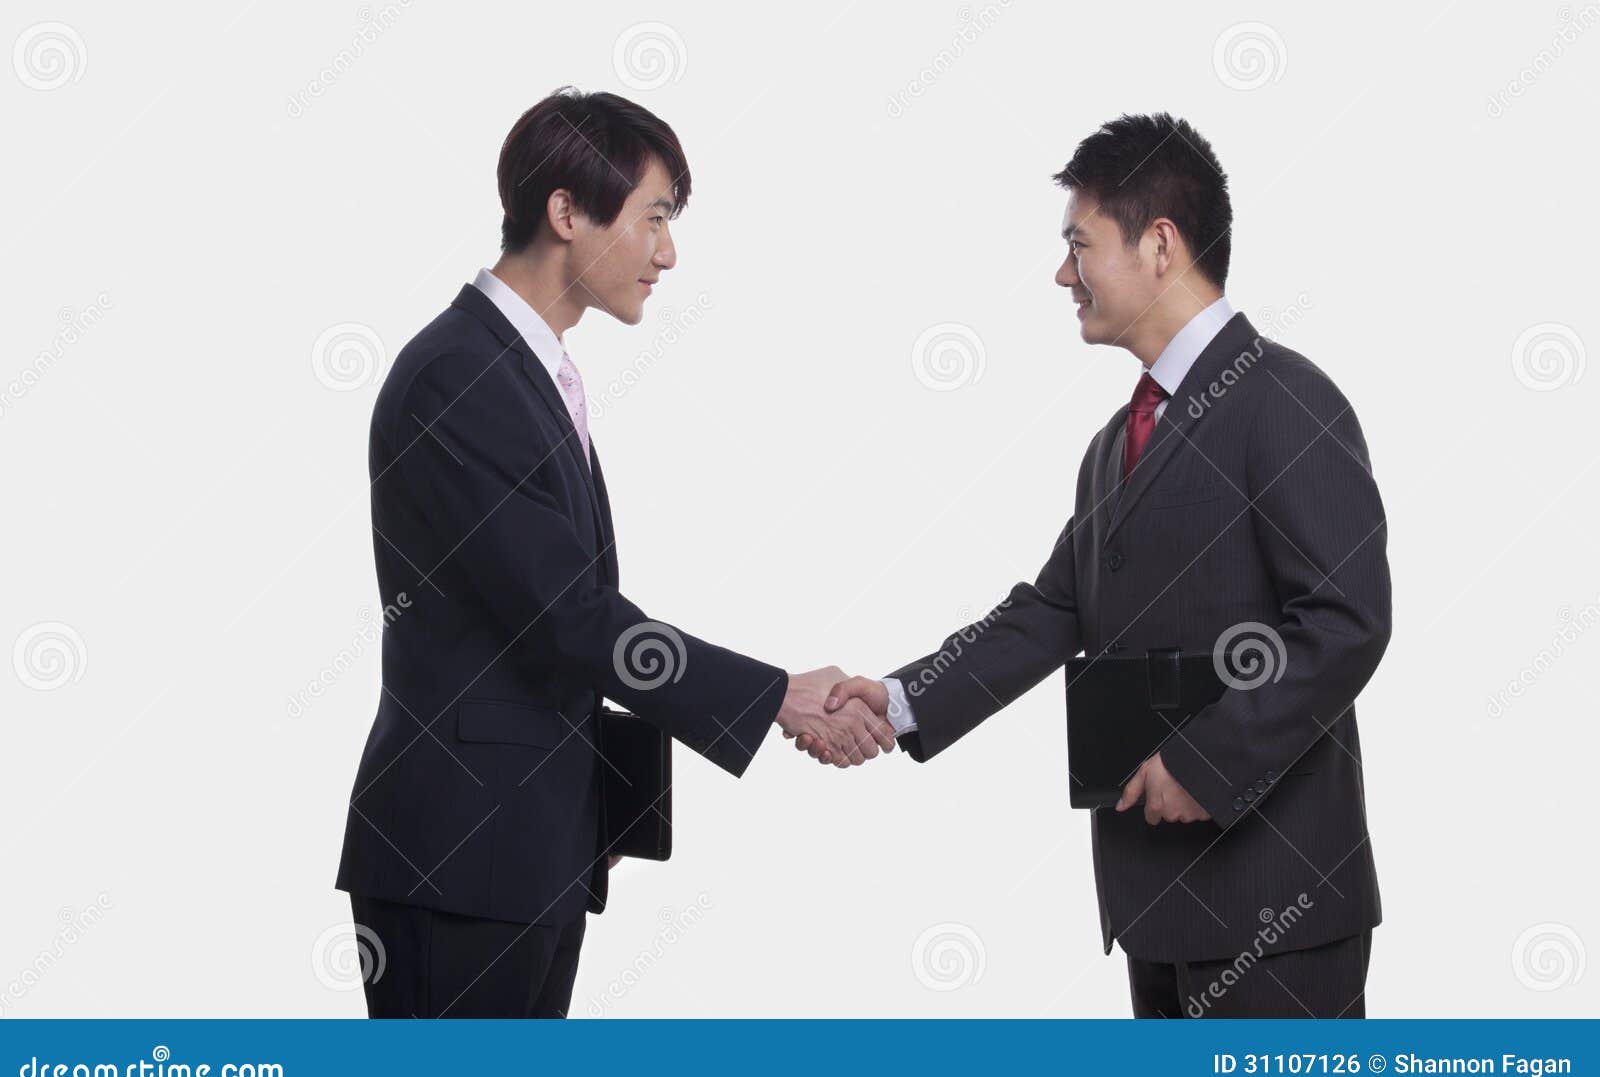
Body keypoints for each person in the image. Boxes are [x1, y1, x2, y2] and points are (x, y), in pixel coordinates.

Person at [334, 87, 893, 1019]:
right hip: (457, 860)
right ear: (565, 211)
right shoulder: (459, 376)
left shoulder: (524, 367)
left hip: (520, 849)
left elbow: (526, 624)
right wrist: (774, 695)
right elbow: (566, 616)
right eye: (654, 218)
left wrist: (605, 801)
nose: (667, 251)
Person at [821, 113, 1391, 1019]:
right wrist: (895, 700)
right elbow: (1050, 610)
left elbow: (1345, 620)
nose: (1061, 274)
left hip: (1273, 908)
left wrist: (1206, 762)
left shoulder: (1285, 396)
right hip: (1158, 904)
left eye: (1078, 245)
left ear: (1160, 244)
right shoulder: (1111, 446)